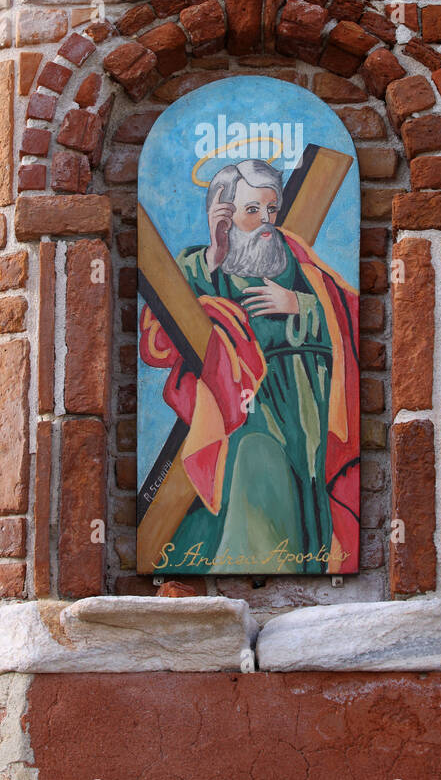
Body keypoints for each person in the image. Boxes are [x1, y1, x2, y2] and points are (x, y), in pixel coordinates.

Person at [139, 159, 359, 575]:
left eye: (271, 209)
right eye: (252, 210)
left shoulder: (294, 254)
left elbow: (348, 313)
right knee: (257, 478)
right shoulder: (206, 265)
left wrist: (300, 305)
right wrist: (214, 254)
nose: (265, 221)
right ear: (224, 212)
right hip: (249, 411)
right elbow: (162, 336)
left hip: (307, 407)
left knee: (309, 498)